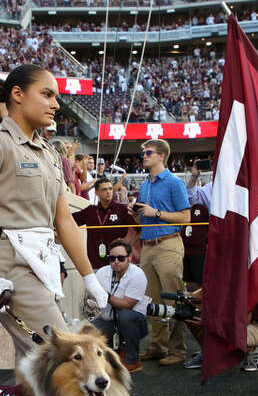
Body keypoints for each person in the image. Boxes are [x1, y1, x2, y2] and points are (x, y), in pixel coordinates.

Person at [0, 64, 108, 359]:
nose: (56, 104)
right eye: (47, 94)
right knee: (65, 358)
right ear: (18, 94)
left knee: (33, 367)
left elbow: (64, 221)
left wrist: (90, 278)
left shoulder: (50, 152)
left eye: (56, 96)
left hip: (44, 260)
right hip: (10, 260)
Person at [133, 139, 191, 367]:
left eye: (148, 153)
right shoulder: (146, 184)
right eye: (144, 153)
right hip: (148, 245)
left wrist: (155, 212)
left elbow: (186, 217)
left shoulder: (174, 183)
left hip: (167, 245)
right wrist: (137, 213)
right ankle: (158, 345)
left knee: (174, 298)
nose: (144, 156)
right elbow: (144, 217)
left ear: (161, 156)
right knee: (152, 300)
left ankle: (178, 350)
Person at [92, 239, 149, 372]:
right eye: (112, 258)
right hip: (109, 319)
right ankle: (118, 351)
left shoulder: (137, 275)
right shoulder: (102, 272)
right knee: (91, 328)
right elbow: (92, 296)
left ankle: (133, 361)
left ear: (130, 258)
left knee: (125, 316)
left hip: (134, 322)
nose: (116, 261)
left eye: (121, 258)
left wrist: (104, 295)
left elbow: (127, 305)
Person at [72, 177, 136, 271]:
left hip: (117, 263)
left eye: (110, 188)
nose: (108, 192)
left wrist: (129, 245)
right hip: (95, 264)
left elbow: (140, 230)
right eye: (104, 189)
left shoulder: (122, 209)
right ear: (96, 192)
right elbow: (68, 220)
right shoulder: (90, 211)